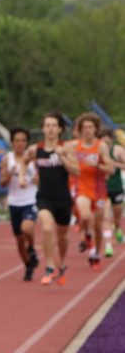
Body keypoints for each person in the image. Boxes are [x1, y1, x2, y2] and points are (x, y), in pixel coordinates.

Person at [28, 112, 78, 286]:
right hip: (44, 197)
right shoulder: (35, 149)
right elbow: (25, 163)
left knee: (62, 236)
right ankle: (49, 267)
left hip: (63, 198)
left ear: (60, 130)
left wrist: (62, 157)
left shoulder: (66, 148)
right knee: (47, 228)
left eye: (54, 126)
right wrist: (30, 175)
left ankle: (62, 262)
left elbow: (76, 171)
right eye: (47, 125)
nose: (50, 129)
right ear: (42, 129)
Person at [65, 113, 114, 270]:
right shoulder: (74, 145)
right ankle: (87, 235)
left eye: (90, 127)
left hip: (100, 192)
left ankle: (96, 254)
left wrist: (97, 164)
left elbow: (111, 169)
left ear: (96, 129)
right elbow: (54, 150)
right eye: (84, 127)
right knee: (85, 216)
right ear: (80, 130)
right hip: (82, 189)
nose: (87, 130)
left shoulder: (101, 146)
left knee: (98, 226)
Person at [0, 127, 41, 281]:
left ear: (27, 142)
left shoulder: (32, 159)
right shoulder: (7, 159)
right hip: (14, 202)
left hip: (31, 200)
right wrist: (11, 173)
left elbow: (37, 178)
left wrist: (31, 177)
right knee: (19, 240)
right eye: (17, 141)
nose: (20, 144)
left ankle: (32, 248)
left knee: (27, 227)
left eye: (23, 141)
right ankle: (28, 264)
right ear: (12, 143)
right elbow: (2, 183)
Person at [102, 131, 125, 250]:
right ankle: (108, 245)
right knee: (106, 217)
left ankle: (118, 228)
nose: (105, 145)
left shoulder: (118, 150)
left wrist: (114, 164)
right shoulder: (98, 151)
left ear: (111, 140)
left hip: (116, 188)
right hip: (102, 189)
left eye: (107, 142)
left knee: (117, 216)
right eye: (103, 142)